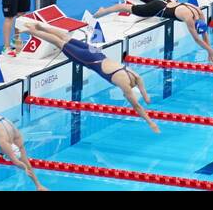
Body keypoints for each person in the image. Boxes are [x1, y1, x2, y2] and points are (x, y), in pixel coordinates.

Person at [21, 23, 159, 132]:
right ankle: (32, 31)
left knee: (66, 37)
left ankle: (40, 27)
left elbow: (141, 87)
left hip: (98, 53)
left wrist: (146, 96)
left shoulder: (135, 75)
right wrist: (150, 122)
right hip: (90, 59)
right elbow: (136, 106)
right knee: (60, 43)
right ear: (129, 90)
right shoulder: (125, 85)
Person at [95, 0, 213, 63]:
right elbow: (197, 39)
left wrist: (209, 50)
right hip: (157, 8)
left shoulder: (198, 11)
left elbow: (204, 34)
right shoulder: (189, 19)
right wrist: (211, 51)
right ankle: (103, 11)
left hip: (164, 0)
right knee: (125, 8)